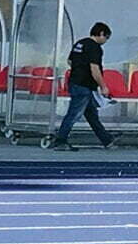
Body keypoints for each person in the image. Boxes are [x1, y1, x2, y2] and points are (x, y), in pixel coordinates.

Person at [50, 22, 116, 151]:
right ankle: (60, 140)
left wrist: (79, 68)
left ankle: (107, 139)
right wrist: (103, 86)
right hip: (84, 85)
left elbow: (70, 61)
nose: (106, 41)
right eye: (106, 38)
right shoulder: (95, 48)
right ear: (101, 34)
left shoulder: (80, 44)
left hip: (75, 82)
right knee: (74, 114)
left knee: (91, 114)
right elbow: (94, 69)